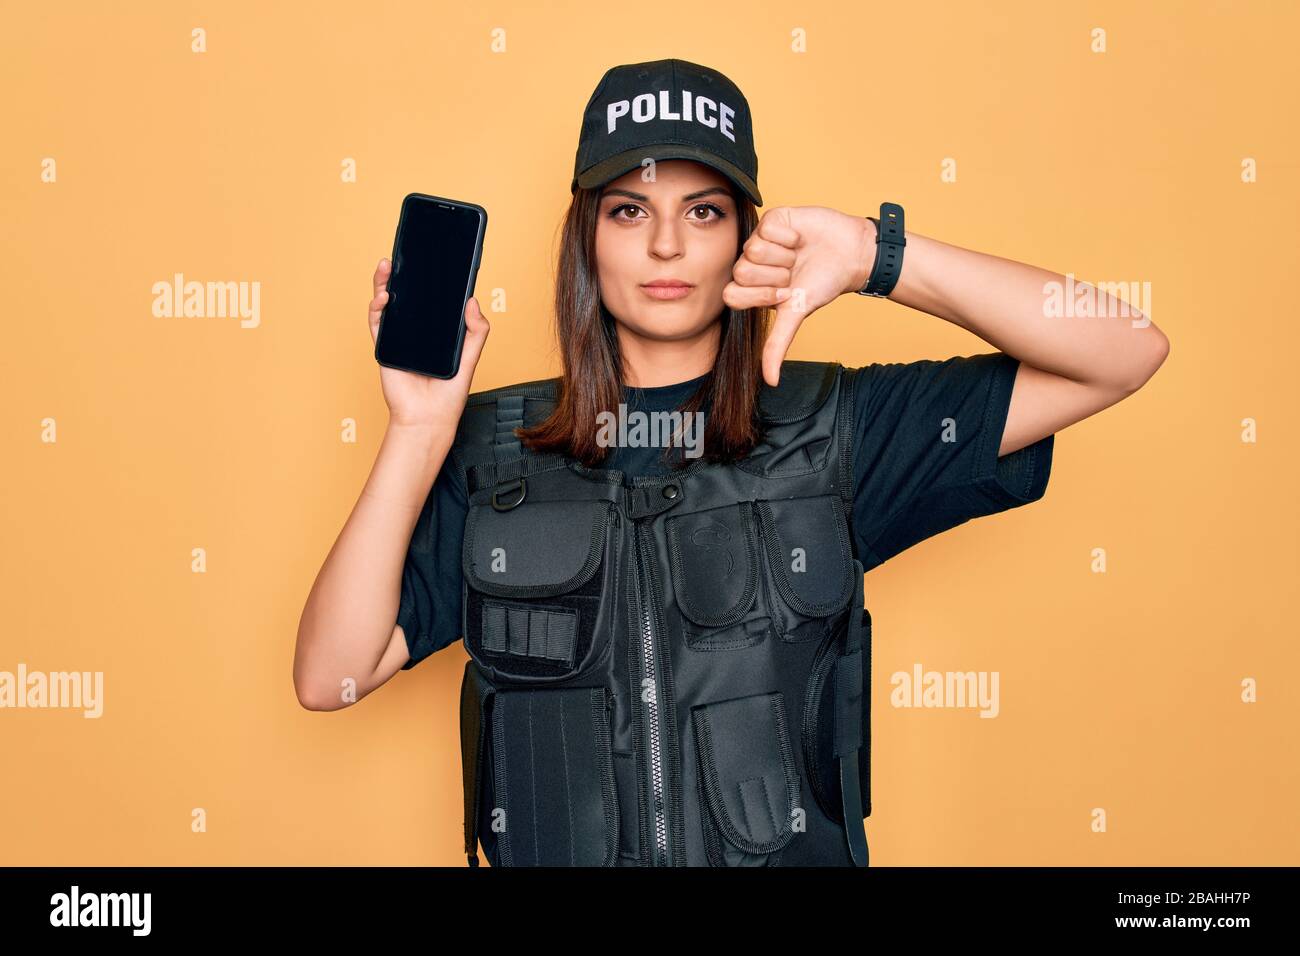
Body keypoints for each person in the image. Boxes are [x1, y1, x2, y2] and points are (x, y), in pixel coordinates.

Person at [293, 58, 1169, 866]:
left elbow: (1124, 353)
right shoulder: (492, 450)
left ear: (746, 238)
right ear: (586, 242)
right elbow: (329, 676)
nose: (666, 246)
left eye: (702, 211)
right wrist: (416, 430)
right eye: (630, 210)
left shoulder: (838, 429)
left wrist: (876, 254)